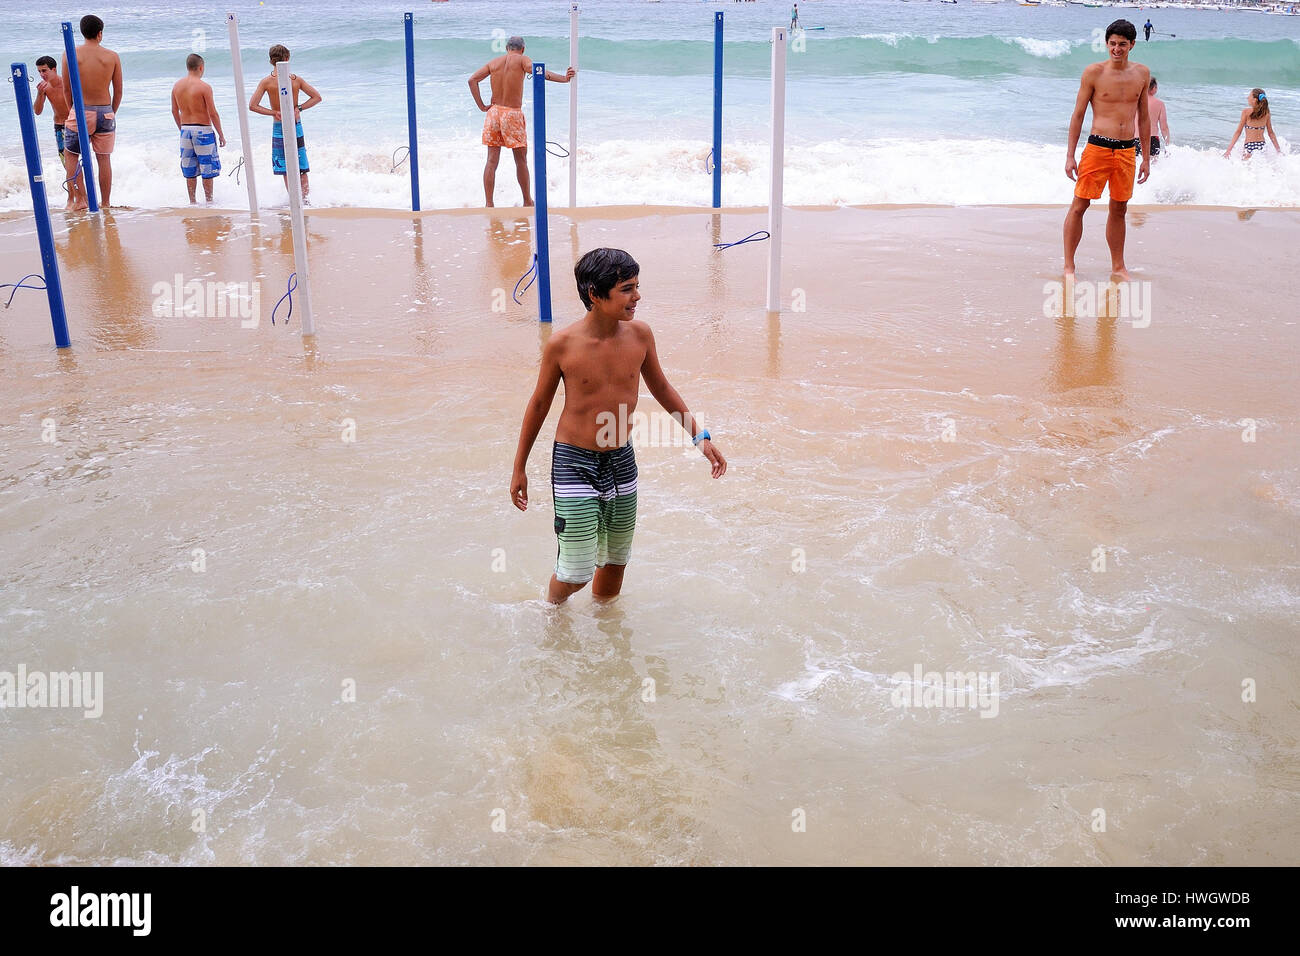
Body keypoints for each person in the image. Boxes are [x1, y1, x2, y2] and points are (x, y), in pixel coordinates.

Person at [510, 248, 727, 605]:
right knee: (575, 572)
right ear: (595, 294)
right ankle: (552, 615)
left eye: (637, 286)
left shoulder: (640, 335)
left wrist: (699, 436)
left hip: (621, 461)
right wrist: (519, 467)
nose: (637, 297)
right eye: (627, 289)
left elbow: (661, 387)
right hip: (574, 463)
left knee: (615, 562)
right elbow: (538, 404)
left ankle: (607, 641)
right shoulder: (562, 345)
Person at [1063, 19, 1150, 281]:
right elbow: (1077, 115)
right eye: (1112, 44)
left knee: (1119, 209)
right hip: (1098, 147)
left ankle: (1118, 267)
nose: (1116, 49)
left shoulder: (1142, 73)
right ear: (1106, 44)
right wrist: (1070, 155)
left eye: (1122, 44)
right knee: (1080, 205)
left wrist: (1146, 157)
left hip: (1126, 150)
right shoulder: (1094, 73)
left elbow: (1144, 118)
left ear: (1132, 45)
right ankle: (1069, 266)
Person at [468, 36, 574, 207]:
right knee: (521, 160)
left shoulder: (494, 62)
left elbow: (472, 80)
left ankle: (489, 203)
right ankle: (527, 200)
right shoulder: (523, 60)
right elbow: (539, 72)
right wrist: (564, 78)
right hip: (512, 113)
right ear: (523, 49)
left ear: (507, 48)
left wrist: (482, 106)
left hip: (494, 112)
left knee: (491, 160)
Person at [60, 15, 122, 209]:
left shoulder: (71, 53)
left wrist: (73, 109)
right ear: (100, 33)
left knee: (71, 154)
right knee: (103, 159)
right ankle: (105, 203)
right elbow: (118, 91)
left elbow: (67, 89)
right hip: (105, 111)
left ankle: (80, 200)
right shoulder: (112, 56)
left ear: (82, 32)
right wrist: (112, 111)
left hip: (81, 110)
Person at [249, 44, 321, 201]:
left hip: (278, 126)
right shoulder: (295, 80)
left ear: (270, 61)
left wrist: (273, 112)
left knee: (285, 166)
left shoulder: (266, 82)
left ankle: (294, 199)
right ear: (287, 59)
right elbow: (317, 97)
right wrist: (299, 108)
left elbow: (252, 106)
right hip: (296, 125)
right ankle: (305, 200)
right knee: (301, 166)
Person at [171, 54, 226, 204]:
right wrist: (221, 134)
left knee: (189, 170)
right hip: (203, 130)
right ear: (201, 67)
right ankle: (209, 202)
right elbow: (213, 113)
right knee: (207, 170)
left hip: (185, 130)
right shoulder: (204, 87)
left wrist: (181, 128)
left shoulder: (177, 86)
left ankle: (193, 202)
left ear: (188, 67)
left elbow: (174, 111)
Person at [33, 56, 69, 170]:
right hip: (59, 127)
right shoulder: (44, 88)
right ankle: (73, 186)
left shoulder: (67, 83)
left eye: (44, 70)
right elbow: (37, 111)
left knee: (77, 160)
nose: (42, 74)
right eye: (39, 71)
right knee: (66, 164)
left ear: (53, 69)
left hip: (74, 125)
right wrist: (39, 94)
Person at [1224, 88, 1281, 160]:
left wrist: (1228, 150)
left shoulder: (1246, 112)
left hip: (1249, 146)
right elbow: (1271, 133)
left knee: (1245, 169)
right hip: (1262, 145)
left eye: (1249, 96)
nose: (1247, 97)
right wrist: (1278, 151)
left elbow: (1238, 132)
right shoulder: (1266, 114)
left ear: (1255, 100)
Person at [1134, 76, 1170, 161]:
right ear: (1154, 88)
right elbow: (1164, 127)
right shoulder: (1160, 104)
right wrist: (1167, 146)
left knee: (1136, 168)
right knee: (1153, 169)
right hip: (1152, 139)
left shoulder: (1135, 102)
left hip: (1136, 140)